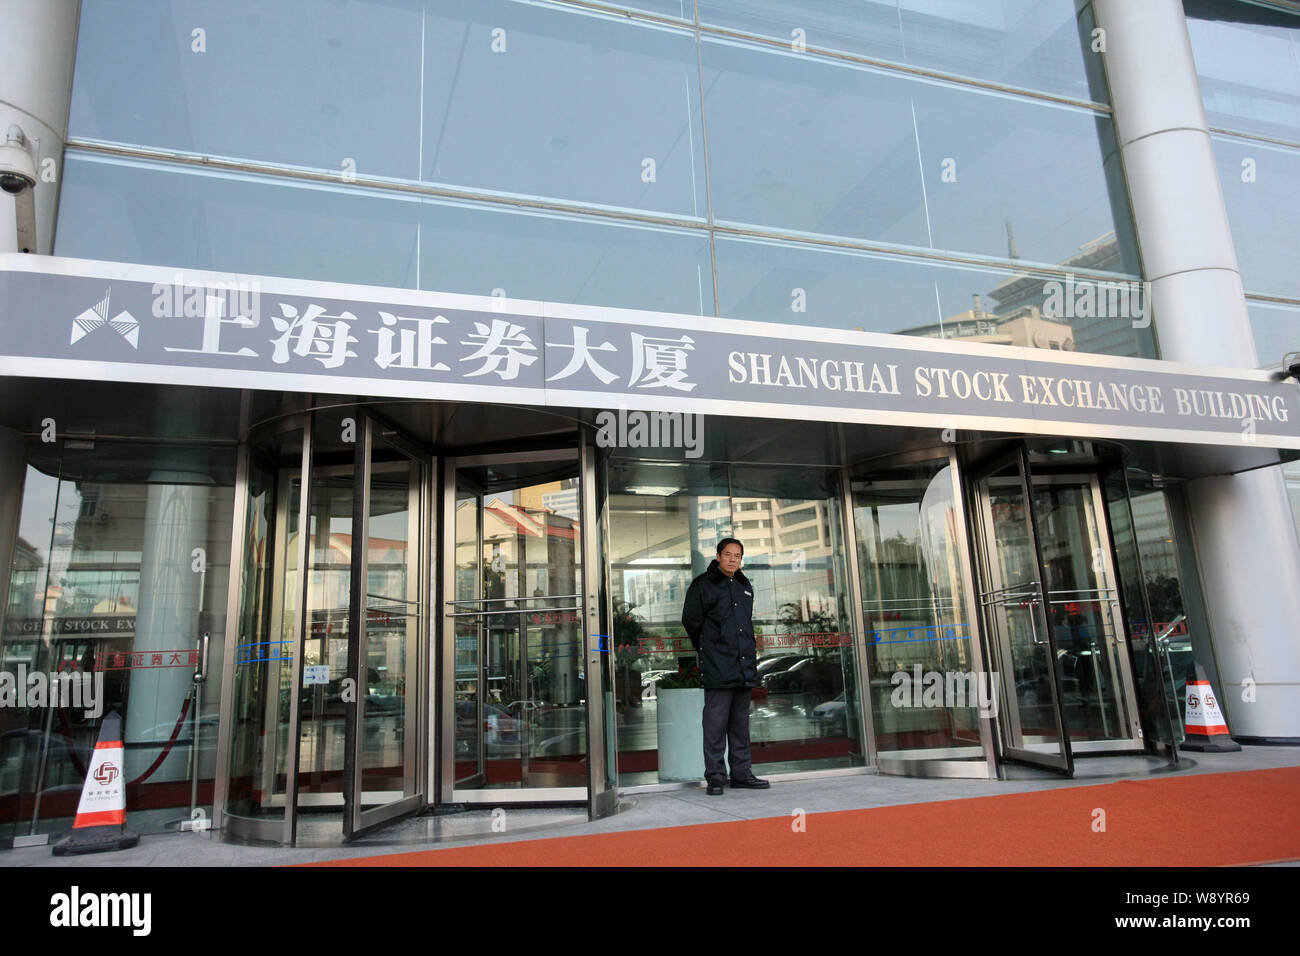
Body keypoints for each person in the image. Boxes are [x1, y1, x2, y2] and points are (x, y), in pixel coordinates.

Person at [681, 538, 770, 795]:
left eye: (737, 555)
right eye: (728, 554)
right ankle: (716, 777)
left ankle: (741, 774)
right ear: (718, 556)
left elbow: (745, 623)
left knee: (740, 725)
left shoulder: (744, 584)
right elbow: (691, 620)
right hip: (718, 666)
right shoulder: (703, 585)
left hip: (743, 666)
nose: (733, 559)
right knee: (715, 725)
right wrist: (709, 649)